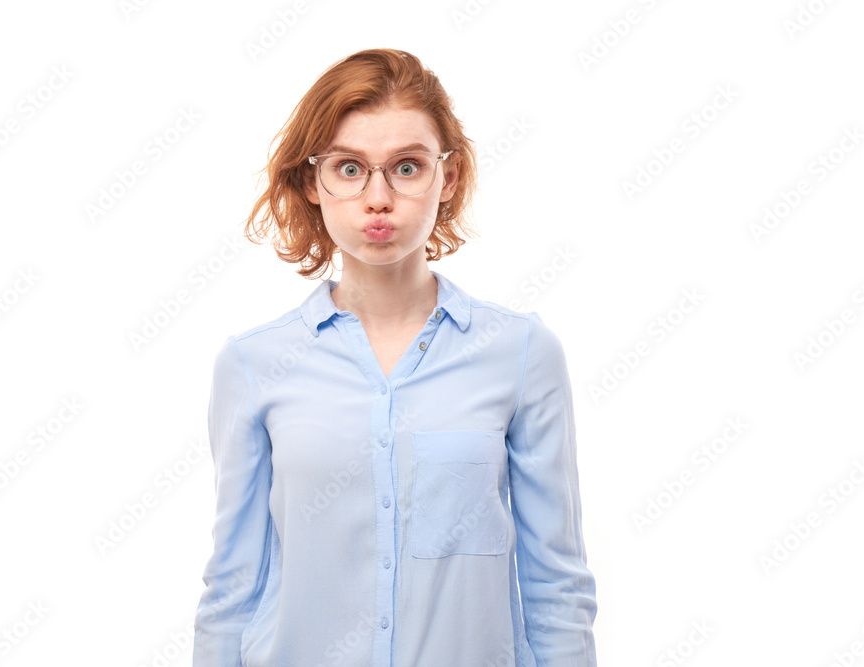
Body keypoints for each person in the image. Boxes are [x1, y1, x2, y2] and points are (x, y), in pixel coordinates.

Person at [192, 47, 597, 667]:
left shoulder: (519, 355)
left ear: (448, 177)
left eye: (406, 167)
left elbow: (556, 586)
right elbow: (233, 586)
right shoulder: (253, 365)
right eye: (349, 169)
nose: (377, 198)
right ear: (312, 181)